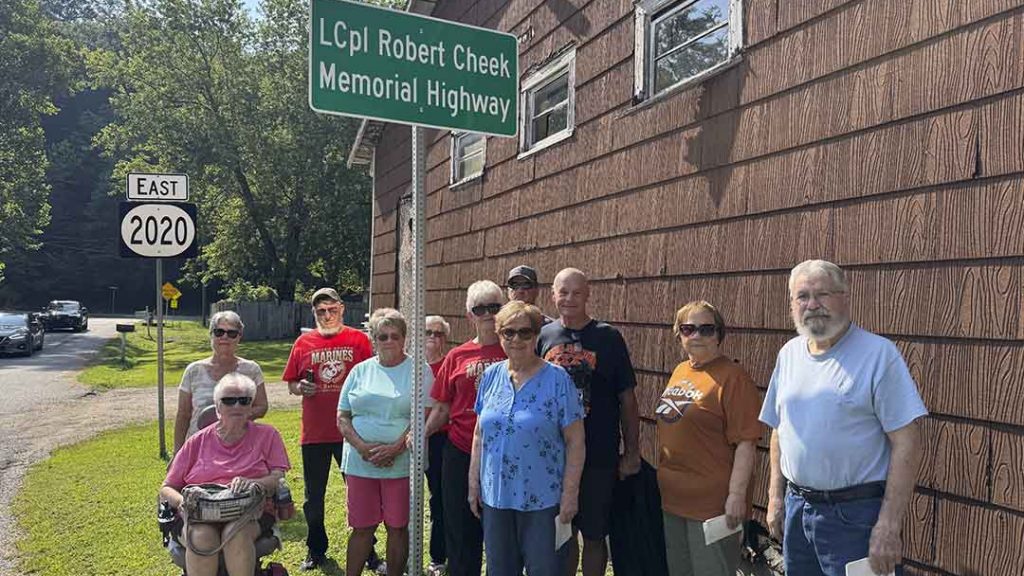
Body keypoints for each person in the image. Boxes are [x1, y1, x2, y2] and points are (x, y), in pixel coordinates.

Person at [760, 260, 927, 576]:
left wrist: (889, 524)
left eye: (823, 294)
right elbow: (780, 429)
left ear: (845, 297)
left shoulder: (879, 355)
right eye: (803, 296)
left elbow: (908, 442)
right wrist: (775, 498)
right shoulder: (789, 355)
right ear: (792, 304)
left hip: (857, 517)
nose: (813, 305)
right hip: (798, 510)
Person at [536, 268, 641, 576]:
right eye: (563, 292)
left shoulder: (608, 337)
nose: (569, 298)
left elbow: (628, 400)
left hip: (598, 453)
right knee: (562, 533)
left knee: (594, 535)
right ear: (553, 295)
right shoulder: (544, 336)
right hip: (553, 456)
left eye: (576, 292)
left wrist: (631, 451)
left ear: (588, 295)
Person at [469, 301, 585, 576]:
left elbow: (575, 442)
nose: (517, 339)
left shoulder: (558, 380)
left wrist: (570, 495)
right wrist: (474, 483)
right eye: (509, 332)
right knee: (500, 570)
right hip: (497, 496)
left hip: (543, 500)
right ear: (499, 334)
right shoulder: (490, 377)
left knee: (544, 569)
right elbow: (478, 435)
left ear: (536, 335)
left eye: (525, 332)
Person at [656, 301, 762, 576]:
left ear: (719, 334)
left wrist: (736, 496)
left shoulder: (733, 378)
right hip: (672, 499)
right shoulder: (681, 370)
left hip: (712, 505)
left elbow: (747, 443)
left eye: (706, 329)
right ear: (678, 334)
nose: (697, 336)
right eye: (688, 329)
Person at [161, 373, 290, 576]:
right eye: (229, 401)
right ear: (217, 406)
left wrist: (255, 483)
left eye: (244, 400)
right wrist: (182, 502)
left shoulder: (268, 435)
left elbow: (278, 477)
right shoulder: (197, 441)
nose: (237, 406)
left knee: (234, 533)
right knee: (201, 536)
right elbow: (167, 487)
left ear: (250, 406)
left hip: (248, 513)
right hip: (199, 514)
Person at [282, 287, 374, 571]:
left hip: (352, 432)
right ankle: (316, 549)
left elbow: (372, 376)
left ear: (342, 308)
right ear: (314, 312)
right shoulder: (303, 342)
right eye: (321, 311)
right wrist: (301, 387)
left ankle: (369, 552)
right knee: (314, 497)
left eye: (332, 309)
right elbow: (291, 384)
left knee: (360, 494)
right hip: (315, 433)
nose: (327, 315)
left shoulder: (359, 340)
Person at [337, 308, 434, 576]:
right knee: (362, 526)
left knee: (397, 526)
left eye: (394, 336)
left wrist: (395, 448)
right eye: (382, 336)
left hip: (401, 462)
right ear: (374, 340)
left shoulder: (418, 370)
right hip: (360, 463)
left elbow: (425, 415)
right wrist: (362, 447)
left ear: (404, 339)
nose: (388, 341)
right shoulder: (359, 371)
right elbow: (343, 416)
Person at [423, 280, 507, 576]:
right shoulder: (457, 357)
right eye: (479, 308)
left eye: (493, 307)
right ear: (469, 314)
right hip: (459, 450)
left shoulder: (517, 351)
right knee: (459, 527)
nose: (487, 314)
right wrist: (422, 433)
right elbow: (443, 407)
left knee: (502, 532)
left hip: (504, 453)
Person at [174, 311, 267, 453]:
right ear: (211, 334)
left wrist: (235, 415)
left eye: (231, 333)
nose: (224, 337)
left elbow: (262, 407)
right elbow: (183, 414)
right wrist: (177, 453)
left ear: (239, 337)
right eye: (219, 332)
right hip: (198, 448)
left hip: (239, 447)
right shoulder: (193, 371)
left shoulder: (252, 370)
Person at [424, 314, 451, 576]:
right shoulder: (411, 367)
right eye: (427, 332)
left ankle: (438, 557)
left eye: (438, 333)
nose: (432, 337)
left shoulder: (449, 365)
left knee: (440, 499)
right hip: (408, 439)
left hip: (441, 439)